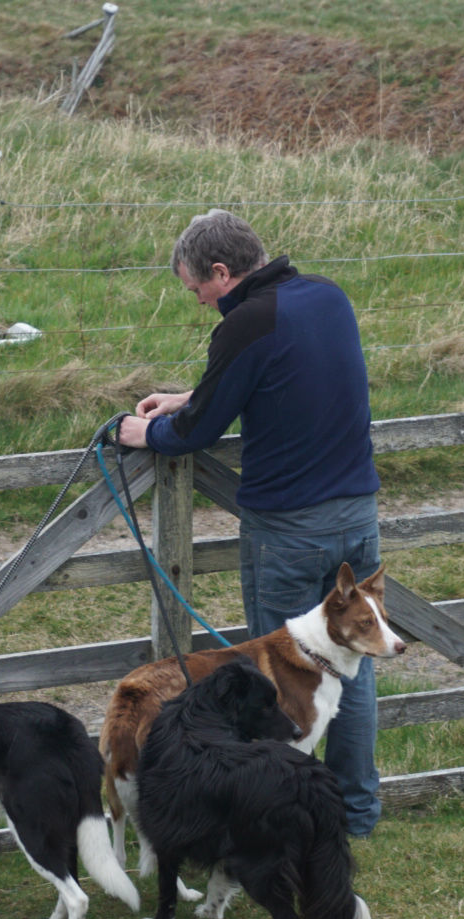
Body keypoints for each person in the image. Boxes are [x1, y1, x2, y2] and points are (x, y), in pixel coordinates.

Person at [117, 209, 385, 836]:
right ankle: (355, 811)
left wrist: (142, 432)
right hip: (357, 512)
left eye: (198, 289)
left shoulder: (244, 323)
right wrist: (192, 395)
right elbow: (286, 376)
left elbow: (194, 434)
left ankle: (286, 811)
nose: (200, 302)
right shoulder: (328, 296)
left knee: (284, 679)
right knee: (352, 661)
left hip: (289, 525)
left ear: (221, 271)